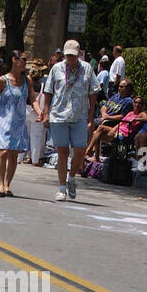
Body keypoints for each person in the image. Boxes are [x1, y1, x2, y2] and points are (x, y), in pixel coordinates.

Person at [40, 39, 100, 201]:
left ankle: (71, 178)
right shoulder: (57, 68)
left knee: (80, 151)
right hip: (59, 115)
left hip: (79, 115)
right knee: (63, 152)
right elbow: (48, 91)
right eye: (68, 56)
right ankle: (61, 188)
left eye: (73, 56)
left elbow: (93, 93)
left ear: (79, 54)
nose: (71, 58)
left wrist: (91, 115)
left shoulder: (87, 69)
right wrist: (46, 113)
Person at [0, 51, 30, 197]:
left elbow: (33, 99)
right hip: (4, 120)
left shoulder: (26, 80)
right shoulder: (2, 81)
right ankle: (0, 184)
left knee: (14, 155)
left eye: (25, 60)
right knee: (3, 152)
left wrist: (40, 111)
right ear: (13, 60)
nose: (24, 62)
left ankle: (8, 184)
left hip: (19, 122)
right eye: (22, 59)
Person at [84, 78, 135, 161]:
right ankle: (91, 154)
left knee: (94, 127)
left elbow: (123, 116)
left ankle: (88, 151)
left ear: (128, 89)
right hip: (103, 119)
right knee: (88, 125)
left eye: (122, 87)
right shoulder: (115, 96)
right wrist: (104, 114)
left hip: (112, 123)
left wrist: (108, 117)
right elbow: (104, 106)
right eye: (119, 86)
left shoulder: (128, 101)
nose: (119, 88)